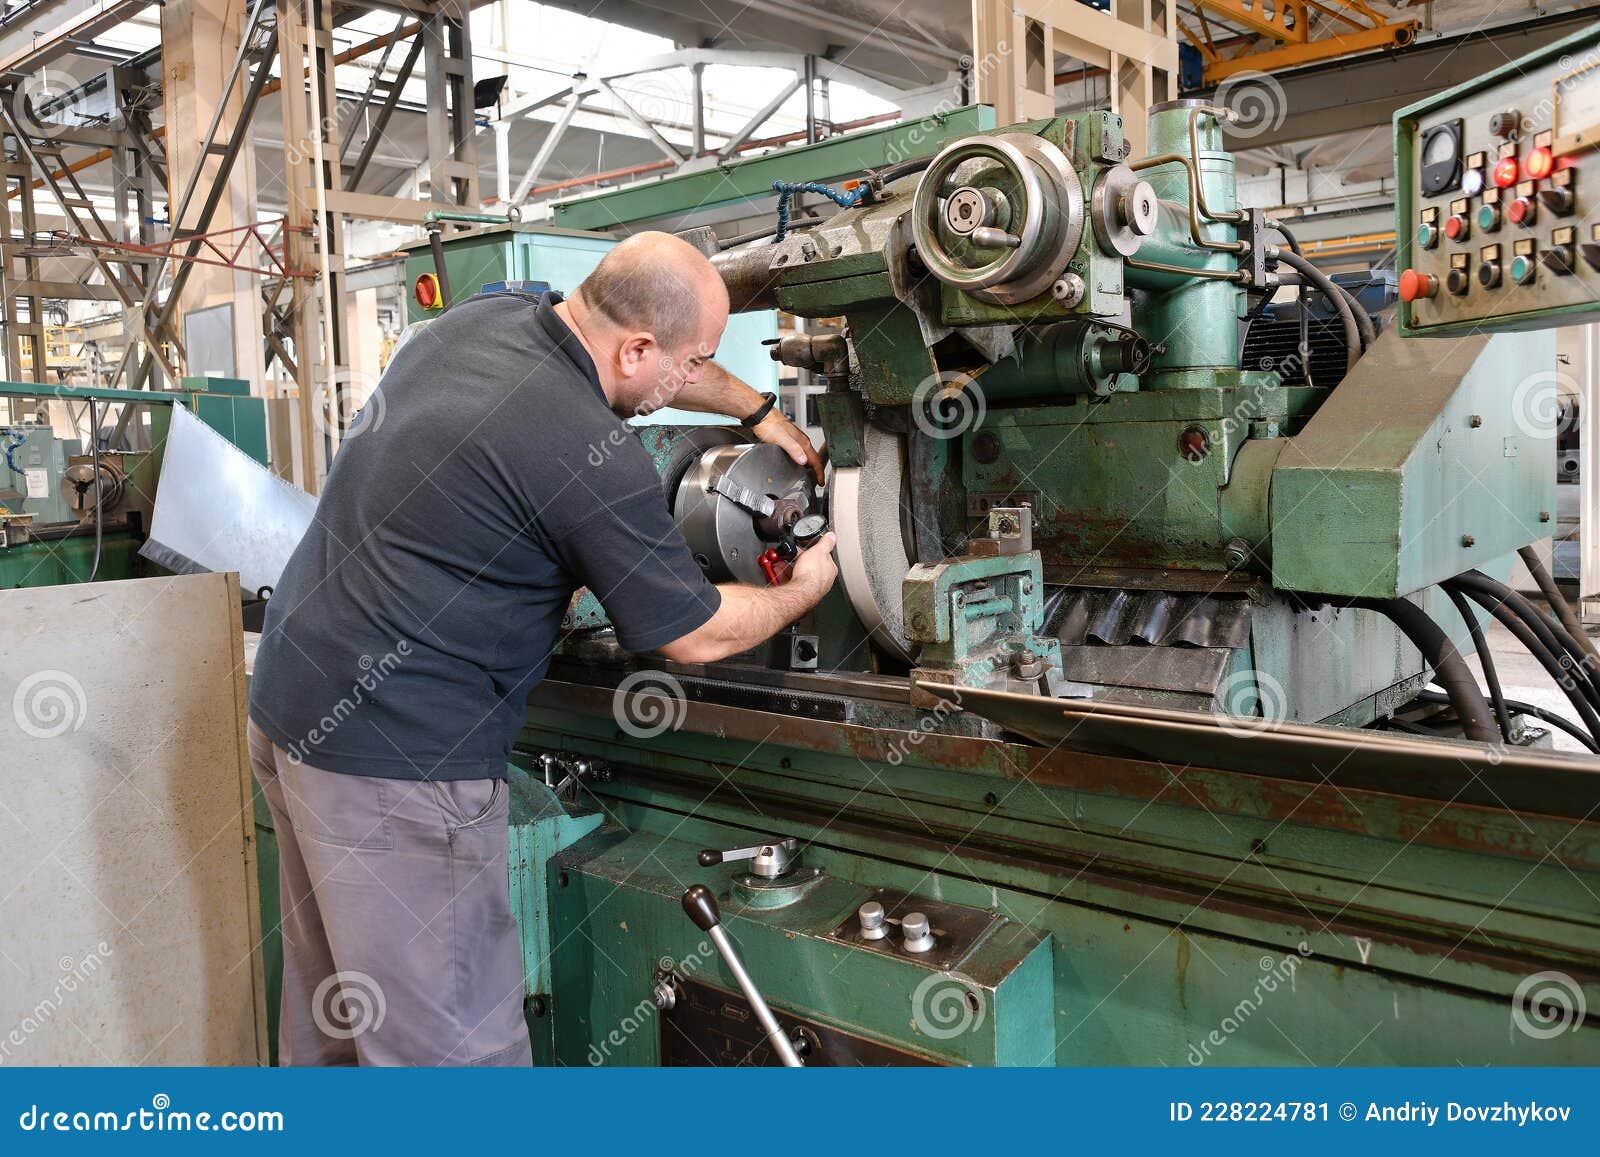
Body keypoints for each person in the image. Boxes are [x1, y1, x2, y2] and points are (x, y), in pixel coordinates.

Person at [247, 231, 837, 1065]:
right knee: (454, 1059)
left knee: (341, 1022)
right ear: (635, 347)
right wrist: (804, 586)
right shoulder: (588, 454)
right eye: (691, 360)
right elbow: (694, 632)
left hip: (291, 708)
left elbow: (661, 358)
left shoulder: (493, 314)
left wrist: (756, 410)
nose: (690, 379)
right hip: (398, 760)